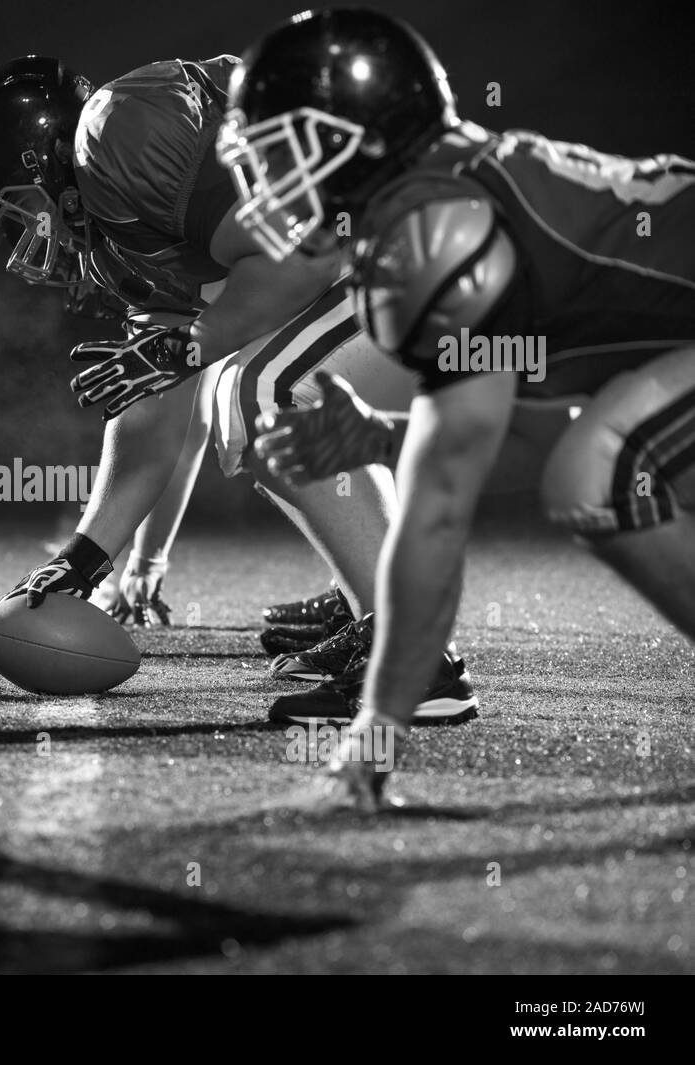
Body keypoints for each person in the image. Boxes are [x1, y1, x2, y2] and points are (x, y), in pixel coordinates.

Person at [225, 8, 695, 807]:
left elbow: (439, 508)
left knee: (603, 469)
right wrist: (379, 435)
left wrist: (372, 737)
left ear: (364, 133)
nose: (269, 183)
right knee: (593, 454)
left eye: (284, 150)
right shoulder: (441, 204)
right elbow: (528, 438)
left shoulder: (437, 230)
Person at [0, 55, 475, 725]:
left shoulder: (119, 132)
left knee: (264, 393)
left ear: (45, 159)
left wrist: (192, 344)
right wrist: (82, 559)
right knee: (255, 388)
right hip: (406, 250)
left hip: (447, 234)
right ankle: (379, 606)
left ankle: (417, 663)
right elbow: (153, 419)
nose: (21, 245)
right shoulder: (112, 241)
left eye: (15, 213)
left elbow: (297, 256)